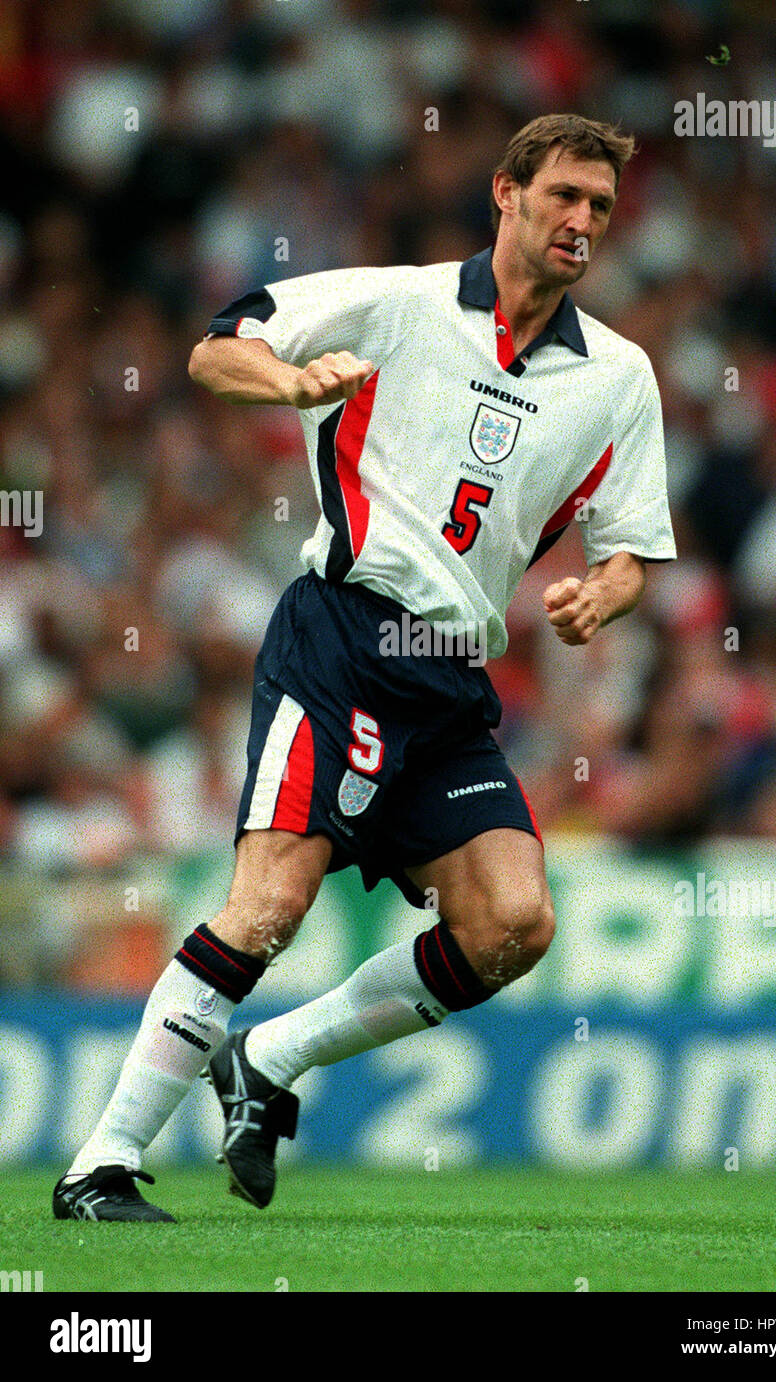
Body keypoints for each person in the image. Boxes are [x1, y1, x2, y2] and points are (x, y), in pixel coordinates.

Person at [53, 113, 675, 1222]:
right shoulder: (400, 302)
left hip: (448, 675)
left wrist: (602, 595)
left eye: (600, 206)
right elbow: (217, 345)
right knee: (268, 904)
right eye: (564, 197)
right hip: (341, 636)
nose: (582, 221)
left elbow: (633, 552)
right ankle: (99, 1164)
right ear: (505, 192)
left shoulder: (617, 378)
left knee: (511, 926)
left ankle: (271, 1057)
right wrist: (286, 385)